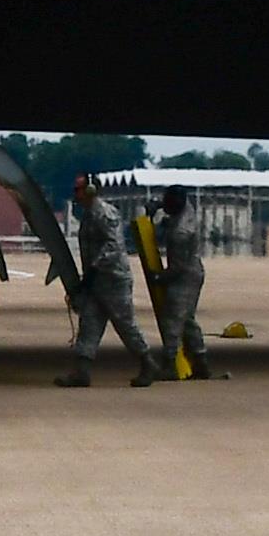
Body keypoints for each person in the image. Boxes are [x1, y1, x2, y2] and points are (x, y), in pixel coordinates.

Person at [54, 163, 161, 387]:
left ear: (91, 190)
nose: (76, 194)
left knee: (124, 324)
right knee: (89, 323)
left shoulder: (104, 213)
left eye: (79, 189)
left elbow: (114, 245)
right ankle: (81, 372)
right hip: (97, 280)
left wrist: (93, 269)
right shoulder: (89, 214)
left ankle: (147, 362)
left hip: (113, 279)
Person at [149, 182, 221, 376]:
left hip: (185, 275)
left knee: (172, 319)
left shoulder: (181, 232)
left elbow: (178, 268)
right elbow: (167, 220)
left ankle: (170, 365)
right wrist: (158, 213)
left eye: (167, 202)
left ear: (177, 202)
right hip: (192, 270)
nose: (165, 204)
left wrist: (159, 278)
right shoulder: (185, 210)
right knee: (187, 321)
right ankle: (201, 363)